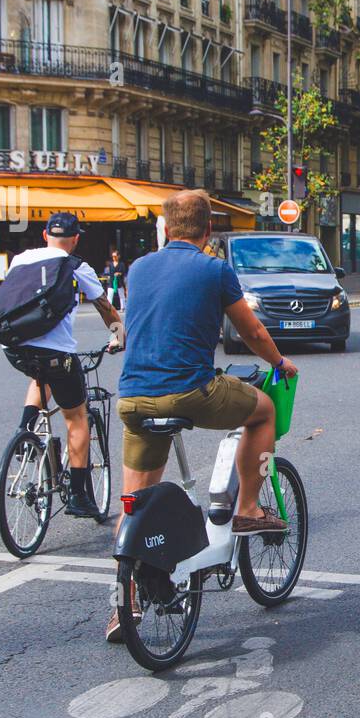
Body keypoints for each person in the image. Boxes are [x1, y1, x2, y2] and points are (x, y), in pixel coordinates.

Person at [107, 189, 299, 643]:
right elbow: (250, 329)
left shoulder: (139, 267)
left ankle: (123, 608)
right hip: (189, 392)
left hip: (133, 398)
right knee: (263, 410)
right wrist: (278, 363)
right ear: (209, 229)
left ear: (167, 229)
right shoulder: (215, 269)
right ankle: (249, 508)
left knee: (134, 498)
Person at [7, 213, 123, 518]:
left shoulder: (21, 259)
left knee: (39, 376)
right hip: (57, 353)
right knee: (77, 417)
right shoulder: (76, 265)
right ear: (76, 239)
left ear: (45, 235)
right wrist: (118, 336)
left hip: (16, 346)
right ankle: (78, 496)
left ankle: (24, 432)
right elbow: (104, 305)